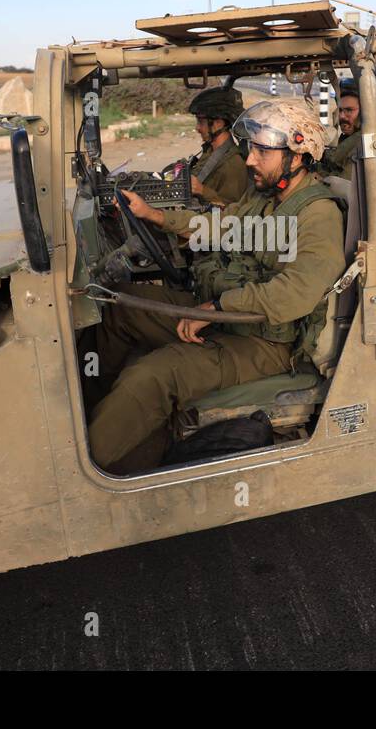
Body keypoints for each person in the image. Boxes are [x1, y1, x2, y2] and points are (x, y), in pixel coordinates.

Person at [87, 99, 346, 473]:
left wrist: (216, 308)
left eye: (262, 151)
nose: (250, 161)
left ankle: (88, 467)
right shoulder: (263, 196)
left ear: (297, 154)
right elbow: (218, 226)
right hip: (230, 316)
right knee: (122, 308)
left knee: (150, 376)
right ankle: (100, 409)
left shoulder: (317, 214)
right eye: (251, 148)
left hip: (266, 341)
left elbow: (295, 293)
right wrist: (154, 215)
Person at [184, 86, 249, 206]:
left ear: (218, 123)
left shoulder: (233, 165)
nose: (197, 128)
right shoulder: (210, 152)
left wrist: (202, 190)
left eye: (201, 122)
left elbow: (234, 214)